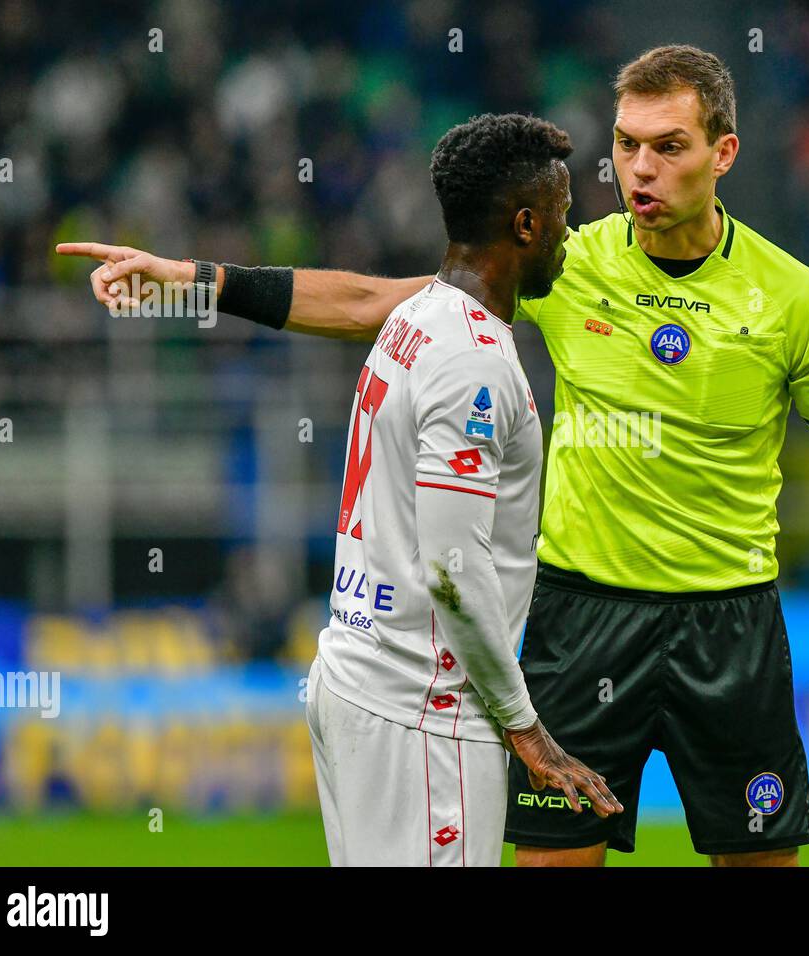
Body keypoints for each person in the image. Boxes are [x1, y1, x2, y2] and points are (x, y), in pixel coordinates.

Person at [59, 45, 809, 868]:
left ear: (723, 153)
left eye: (668, 147)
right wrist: (193, 278)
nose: (639, 169)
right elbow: (369, 300)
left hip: (731, 623)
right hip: (582, 622)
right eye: (626, 145)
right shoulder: (573, 259)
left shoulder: (794, 297)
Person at [63, 112, 622, 866]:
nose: (569, 233)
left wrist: (185, 282)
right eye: (562, 216)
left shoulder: (418, 319)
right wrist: (525, 726)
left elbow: (358, 299)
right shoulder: (475, 363)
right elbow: (453, 571)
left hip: (356, 675)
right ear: (524, 225)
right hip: (424, 707)